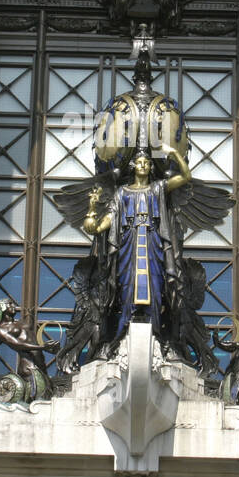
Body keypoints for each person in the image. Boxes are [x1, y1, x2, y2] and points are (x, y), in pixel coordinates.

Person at [82, 142, 191, 344]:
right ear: (133, 167)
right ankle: (123, 335)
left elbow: (185, 177)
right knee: (127, 289)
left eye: (146, 163)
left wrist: (175, 153)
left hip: (153, 245)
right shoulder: (122, 193)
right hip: (128, 246)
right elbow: (111, 217)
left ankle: (156, 335)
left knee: (156, 288)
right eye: (139, 162)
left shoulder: (158, 188)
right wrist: (97, 225)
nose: (142, 166)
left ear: (150, 167)